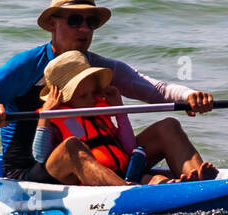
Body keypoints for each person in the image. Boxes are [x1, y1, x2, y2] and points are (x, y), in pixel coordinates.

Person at [0, 0, 228, 183]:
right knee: (72, 147)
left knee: (169, 127)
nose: (84, 29)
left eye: (91, 22)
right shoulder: (21, 69)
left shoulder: (95, 66)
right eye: (74, 21)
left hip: (102, 159)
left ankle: (206, 184)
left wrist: (190, 96)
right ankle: (134, 193)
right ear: (52, 24)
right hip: (33, 171)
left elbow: (154, 90)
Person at [31, 50, 172, 186]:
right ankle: (125, 191)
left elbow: (129, 148)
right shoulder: (54, 116)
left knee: (157, 177)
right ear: (63, 99)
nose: (91, 100)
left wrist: (119, 110)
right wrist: (46, 115)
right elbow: (40, 156)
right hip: (79, 179)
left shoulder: (98, 112)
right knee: (71, 144)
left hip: (117, 175)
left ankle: (188, 181)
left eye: (93, 93)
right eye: (83, 96)